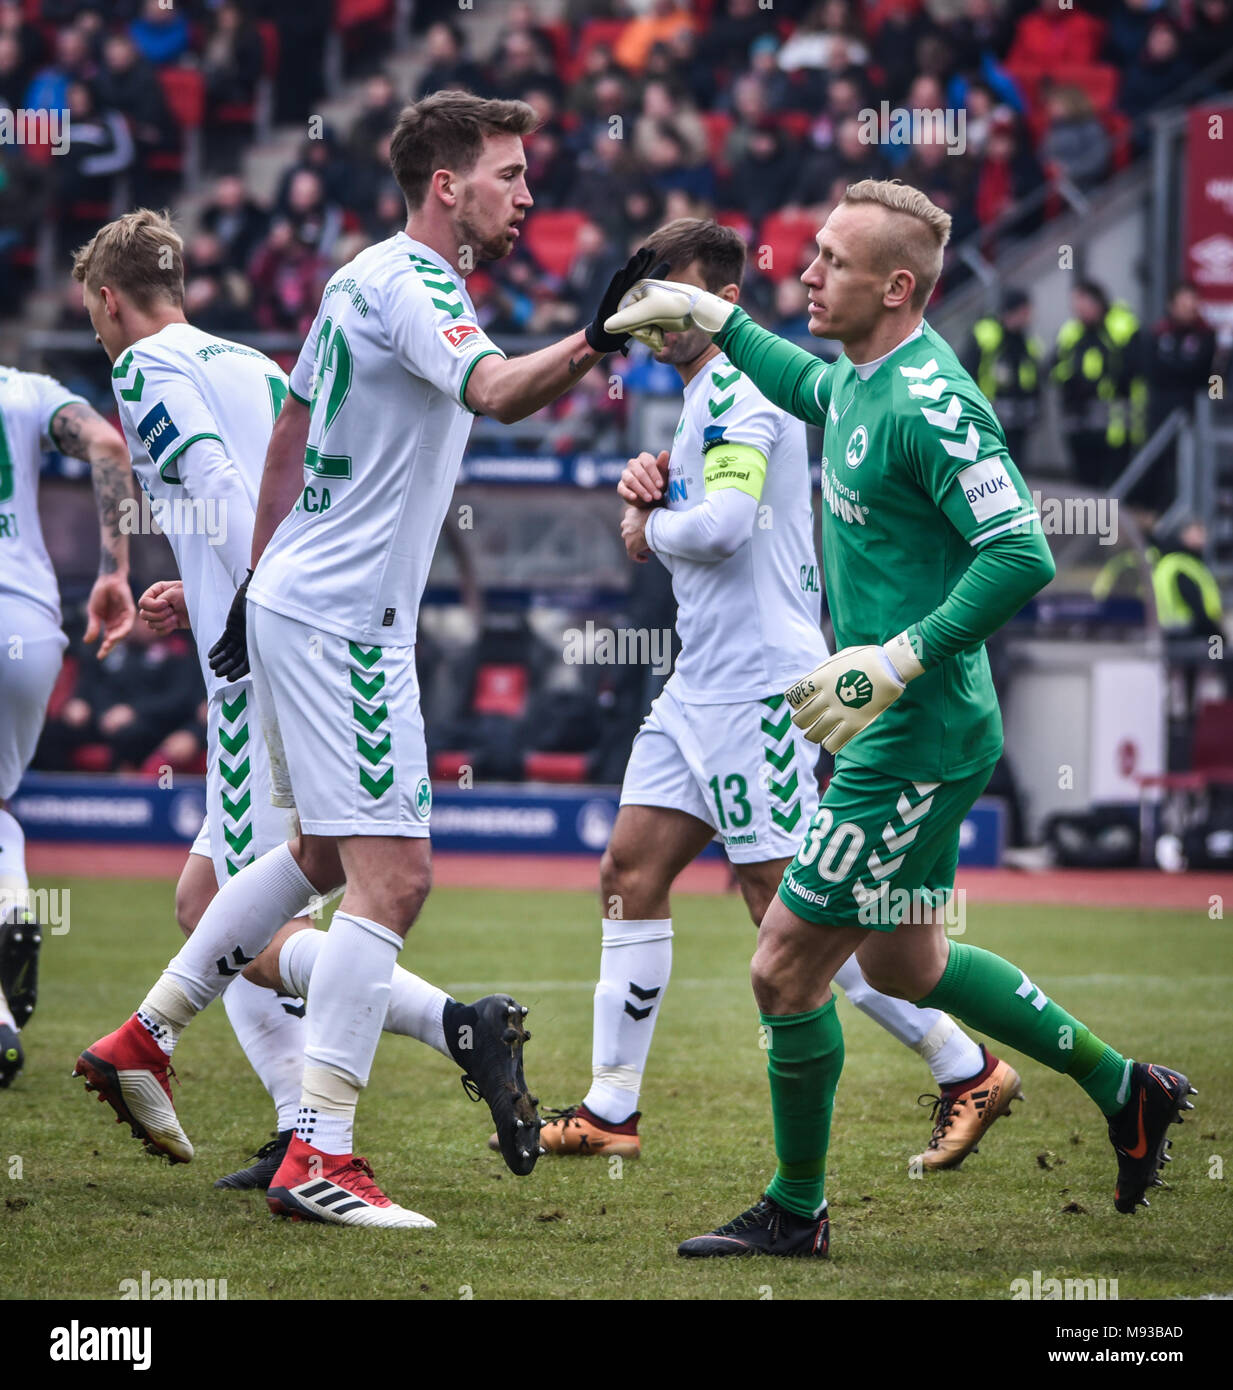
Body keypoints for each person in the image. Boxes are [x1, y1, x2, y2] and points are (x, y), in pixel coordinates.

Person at [74, 90, 671, 1229]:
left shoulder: (351, 279)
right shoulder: (416, 284)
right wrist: (602, 334)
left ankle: (148, 1032)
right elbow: (494, 393)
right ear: (448, 186)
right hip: (346, 622)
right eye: (509, 175)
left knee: (308, 853)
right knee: (395, 878)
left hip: (308, 605)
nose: (528, 196)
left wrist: (248, 584)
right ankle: (323, 1156)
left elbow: (292, 438)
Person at [608, 178, 1194, 1257]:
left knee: (783, 965)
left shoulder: (931, 401)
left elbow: (1023, 553)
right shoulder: (855, 379)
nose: (806, 271)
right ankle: (1129, 1089)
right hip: (903, 726)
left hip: (913, 733)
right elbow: (799, 381)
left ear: (896, 285)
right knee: (905, 964)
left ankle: (797, 1207)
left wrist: (895, 658)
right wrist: (718, 319)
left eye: (829, 259)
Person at [521, 216, 1021, 1174]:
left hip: (758, 688)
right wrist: (652, 490)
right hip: (696, 683)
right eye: (645, 301)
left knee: (784, 921)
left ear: (721, 304)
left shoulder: (745, 393)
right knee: (629, 873)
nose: (652, 323)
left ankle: (962, 1065)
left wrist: (645, 524)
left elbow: (718, 528)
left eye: (671, 301)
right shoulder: (705, 393)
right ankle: (610, 1105)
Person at [0, 364, 136, 1086]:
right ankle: (13, 908)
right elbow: (110, 447)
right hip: (26, 625)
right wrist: (115, 573)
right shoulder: (26, 389)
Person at [962, 287, 1042, 466]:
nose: (1030, 316)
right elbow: (967, 371)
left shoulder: (1026, 339)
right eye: (1027, 311)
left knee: (1015, 468)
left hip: (1019, 422)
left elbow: (1034, 379)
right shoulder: (987, 333)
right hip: (989, 419)